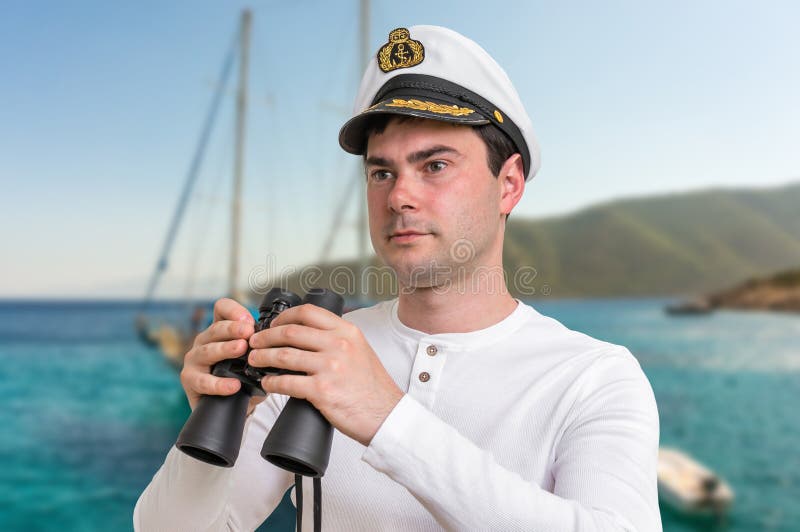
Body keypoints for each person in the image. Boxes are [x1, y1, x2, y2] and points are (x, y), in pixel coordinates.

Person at [135, 25, 661, 531]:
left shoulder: (594, 378)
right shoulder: (320, 352)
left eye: (434, 165)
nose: (399, 196)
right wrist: (207, 433)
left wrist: (388, 418)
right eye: (381, 172)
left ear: (509, 185)